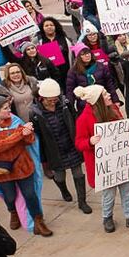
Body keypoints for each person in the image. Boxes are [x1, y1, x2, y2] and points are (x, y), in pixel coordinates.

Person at [0, 95, 51, 235]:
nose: (9, 110)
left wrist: (27, 134)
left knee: (30, 195)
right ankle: (13, 212)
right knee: (9, 196)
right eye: (5, 108)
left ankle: (38, 221)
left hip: (23, 166)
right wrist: (20, 133)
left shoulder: (14, 120)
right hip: (2, 171)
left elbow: (29, 140)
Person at [73, 85, 129, 233]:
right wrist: (90, 141)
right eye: (105, 95)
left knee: (128, 190)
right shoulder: (84, 119)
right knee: (108, 194)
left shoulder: (114, 110)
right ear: (98, 100)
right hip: (103, 166)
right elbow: (79, 143)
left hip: (121, 162)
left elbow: (124, 132)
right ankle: (107, 217)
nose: (109, 96)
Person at [29, 79, 90, 213]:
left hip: (71, 144)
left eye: (55, 99)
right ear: (41, 98)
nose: (53, 102)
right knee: (59, 176)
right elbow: (38, 137)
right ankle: (64, 190)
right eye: (49, 100)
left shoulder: (65, 104)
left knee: (78, 173)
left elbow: (75, 120)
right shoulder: (34, 113)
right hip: (54, 150)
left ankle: (82, 201)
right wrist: (43, 158)